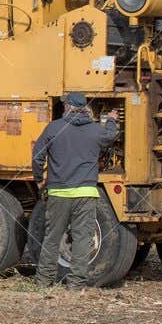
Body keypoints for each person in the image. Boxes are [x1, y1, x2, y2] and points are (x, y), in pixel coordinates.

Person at [29, 91, 119, 288]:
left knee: (52, 238)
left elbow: (37, 156)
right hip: (85, 193)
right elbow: (111, 136)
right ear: (85, 109)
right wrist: (111, 120)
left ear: (69, 106)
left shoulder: (54, 128)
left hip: (58, 194)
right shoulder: (96, 130)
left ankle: (44, 281)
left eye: (64, 105)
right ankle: (76, 284)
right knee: (82, 240)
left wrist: (38, 179)